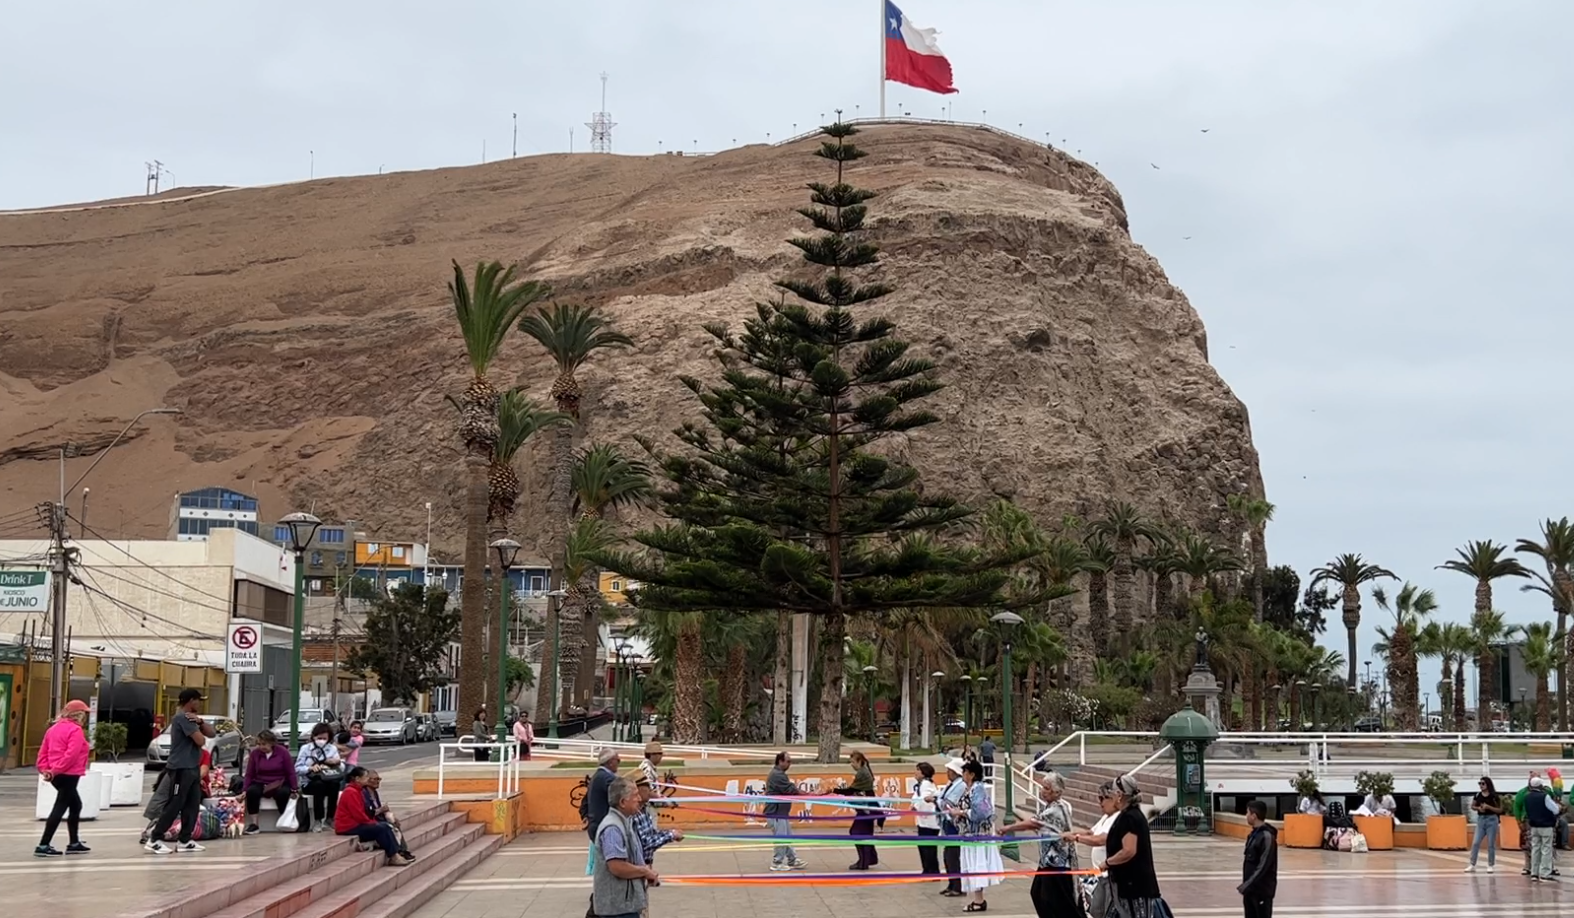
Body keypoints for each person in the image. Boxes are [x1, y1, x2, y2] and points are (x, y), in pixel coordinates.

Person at [1002, 771, 1083, 918]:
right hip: (1047, 861)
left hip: (1058, 864)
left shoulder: (1058, 809)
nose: (1042, 791)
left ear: (1057, 792)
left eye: (1046, 788)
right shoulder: (1049, 807)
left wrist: (1009, 827)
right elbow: (1036, 822)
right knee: (1039, 894)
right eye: (1042, 787)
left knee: (1061, 904)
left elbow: (1033, 823)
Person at [146, 688, 216, 854]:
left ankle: (185, 839)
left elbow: (212, 733)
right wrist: (198, 728)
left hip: (192, 767)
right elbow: (200, 741)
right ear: (191, 701)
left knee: (192, 804)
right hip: (180, 768)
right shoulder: (182, 718)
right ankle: (155, 838)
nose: (199, 704)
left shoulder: (193, 719)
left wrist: (200, 722)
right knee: (175, 803)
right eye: (198, 701)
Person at [591, 776, 657, 918]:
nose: (639, 799)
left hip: (625, 904)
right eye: (635, 795)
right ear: (622, 802)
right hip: (618, 908)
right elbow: (617, 867)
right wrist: (644, 871)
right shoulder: (612, 828)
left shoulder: (625, 821)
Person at [35, 699, 92, 857]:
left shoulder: (52, 729)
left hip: (56, 775)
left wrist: (46, 770)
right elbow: (71, 755)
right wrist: (55, 770)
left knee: (76, 805)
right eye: (84, 713)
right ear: (79, 714)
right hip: (69, 774)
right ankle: (43, 844)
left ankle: (74, 843)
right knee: (60, 807)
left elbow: (43, 752)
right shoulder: (75, 730)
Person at [946, 759, 1001, 912]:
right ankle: (978, 898)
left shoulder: (978, 789)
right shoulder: (969, 789)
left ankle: (979, 900)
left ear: (971, 774)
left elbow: (981, 812)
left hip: (977, 836)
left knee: (977, 865)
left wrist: (961, 812)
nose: (962, 774)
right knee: (972, 866)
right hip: (969, 834)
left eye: (964, 772)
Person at [1067, 781, 1121, 917]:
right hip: (1100, 876)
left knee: (1109, 911)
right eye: (1099, 798)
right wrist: (1069, 833)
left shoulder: (1118, 818)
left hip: (1111, 877)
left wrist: (1076, 838)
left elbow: (1100, 840)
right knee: (1096, 911)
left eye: (1103, 798)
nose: (1100, 802)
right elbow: (1090, 833)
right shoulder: (1106, 817)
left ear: (1113, 798)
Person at [334, 766, 408, 867]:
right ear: (357, 779)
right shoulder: (351, 792)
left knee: (385, 826)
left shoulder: (358, 791)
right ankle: (394, 856)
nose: (367, 779)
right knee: (382, 828)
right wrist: (372, 823)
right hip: (348, 826)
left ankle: (397, 852)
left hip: (356, 823)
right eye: (365, 777)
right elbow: (358, 815)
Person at [243, 729, 297, 834]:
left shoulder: (283, 752)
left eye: (264, 744)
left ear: (271, 743)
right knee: (252, 792)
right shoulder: (255, 754)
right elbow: (249, 773)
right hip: (260, 781)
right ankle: (254, 824)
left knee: (283, 794)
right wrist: (244, 789)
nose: (261, 747)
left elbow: (291, 772)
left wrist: (294, 788)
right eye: (259, 744)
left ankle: (285, 821)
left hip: (279, 781)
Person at [296, 722, 345, 832]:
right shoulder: (306, 749)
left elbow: (341, 768)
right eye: (319, 738)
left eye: (324, 738)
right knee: (319, 785)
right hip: (310, 782)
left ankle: (330, 818)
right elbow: (297, 768)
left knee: (334, 785)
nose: (321, 741)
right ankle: (318, 819)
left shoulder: (332, 749)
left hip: (329, 779)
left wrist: (335, 762)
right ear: (313, 737)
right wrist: (310, 768)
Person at [764, 751, 807, 871]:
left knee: (786, 837)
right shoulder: (777, 775)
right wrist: (808, 795)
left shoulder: (779, 774)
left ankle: (792, 859)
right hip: (776, 813)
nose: (790, 764)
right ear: (780, 761)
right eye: (788, 761)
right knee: (781, 838)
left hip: (781, 813)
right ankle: (777, 862)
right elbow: (790, 789)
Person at [631, 773, 683, 873]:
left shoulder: (644, 810)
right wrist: (671, 835)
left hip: (645, 867)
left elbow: (652, 835)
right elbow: (645, 844)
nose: (650, 791)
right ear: (638, 790)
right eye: (647, 787)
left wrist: (671, 833)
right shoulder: (633, 814)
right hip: (637, 868)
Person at [836, 750, 878, 870]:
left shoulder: (862, 773)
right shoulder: (864, 770)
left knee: (857, 832)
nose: (852, 765)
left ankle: (864, 862)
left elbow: (850, 790)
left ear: (859, 761)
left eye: (853, 762)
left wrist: (834, 791)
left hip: (866, 808)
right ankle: (870, 858)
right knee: (865, 833)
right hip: (866, 806)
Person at [363, 770, 415, 861]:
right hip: (370, 821)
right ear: (367, 780)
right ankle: (398, 851)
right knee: (388, 826)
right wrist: (381, 810)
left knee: (393, 820)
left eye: (379, 779)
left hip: (377, 818)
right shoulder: (364, 793)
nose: (378, 781)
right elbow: (369, 812)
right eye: (375, 779)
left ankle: (402, 849)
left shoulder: (374, 793)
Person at [1239, 800, 1279, 918]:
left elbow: (1264, 865)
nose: (1246, 816)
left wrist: (1247, 884)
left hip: (1262, 890)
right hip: (1250, 890)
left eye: (1247, 813)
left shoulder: (1267, 837)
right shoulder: (1253, 835)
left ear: (1254, 816)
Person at [585, 748, 622, 875]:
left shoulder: (598, 776)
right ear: (610, 762)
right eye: (618, 760)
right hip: (602, 825)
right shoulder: (606, 778)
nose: (619, 763)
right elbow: (620, 793)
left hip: (596, 824)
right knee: (609, 864)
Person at [939, 758, 968, 897]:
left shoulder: (961, 785)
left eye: (950, 771)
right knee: (947, 856)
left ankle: (957, 886)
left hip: (955, 824)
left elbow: (949, 802)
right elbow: (941, 799)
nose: (948, 773)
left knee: (953, 856)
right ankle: (951, 883)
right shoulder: (951, 784)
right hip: (947, 822)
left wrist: (938, 802)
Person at [1527, 775, 1560, 881]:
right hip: (1546, 825)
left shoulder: (1527, 797)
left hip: (1534, 826)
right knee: (1546, 849)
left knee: (1535, 849)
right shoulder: (1544, 796)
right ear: (1540, 785)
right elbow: (1555, 810)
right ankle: (1545, 873)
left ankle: (1534, 873)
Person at [1467, 776, 1503, 872]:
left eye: (1483, 783)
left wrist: (1488, 807)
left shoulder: (1494, 796)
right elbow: (1473, 806)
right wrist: (1479, 808)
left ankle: (1490, 864)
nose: (1481, 785)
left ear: (1488, 784)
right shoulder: (1478, 795)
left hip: (1492, 819)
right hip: (1481, 820)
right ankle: (1472, 863)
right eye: (1480, 783)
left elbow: (1500, 810)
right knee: (1475, 842)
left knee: (1491, 843)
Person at [912, 761, 942, 876]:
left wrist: (915, 806)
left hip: (929, 822)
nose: (915, 772)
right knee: (925, 847)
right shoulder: (921, 785)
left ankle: (932, 871)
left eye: (918, 770)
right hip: (924, 821)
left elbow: (924, 799)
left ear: (924, 773)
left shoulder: (926, 784)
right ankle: (928, 870)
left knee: (928, 848)